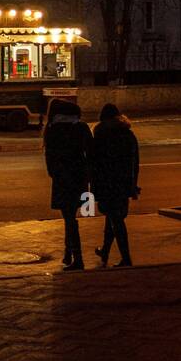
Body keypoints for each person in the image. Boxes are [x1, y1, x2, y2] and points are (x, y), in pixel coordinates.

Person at [90, 103, 140, 268]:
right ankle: (105, 250)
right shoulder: (128, 134)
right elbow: (135, 163)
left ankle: (126, 258)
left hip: (107, 183)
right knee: (113, 218)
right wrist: (132, 185)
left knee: (116, 220)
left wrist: (94, 186)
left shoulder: (101, 135)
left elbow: (95, 163)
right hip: (123, 183)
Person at [43, 98, 91, 271]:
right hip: (80, 177)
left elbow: (49, 156)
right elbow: (90, 152)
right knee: (73, 216)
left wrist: (55, 173)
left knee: (68, 218)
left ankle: (76, 258)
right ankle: (68, 253)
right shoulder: (81, 127)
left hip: (62, 178)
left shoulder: (52, 129)